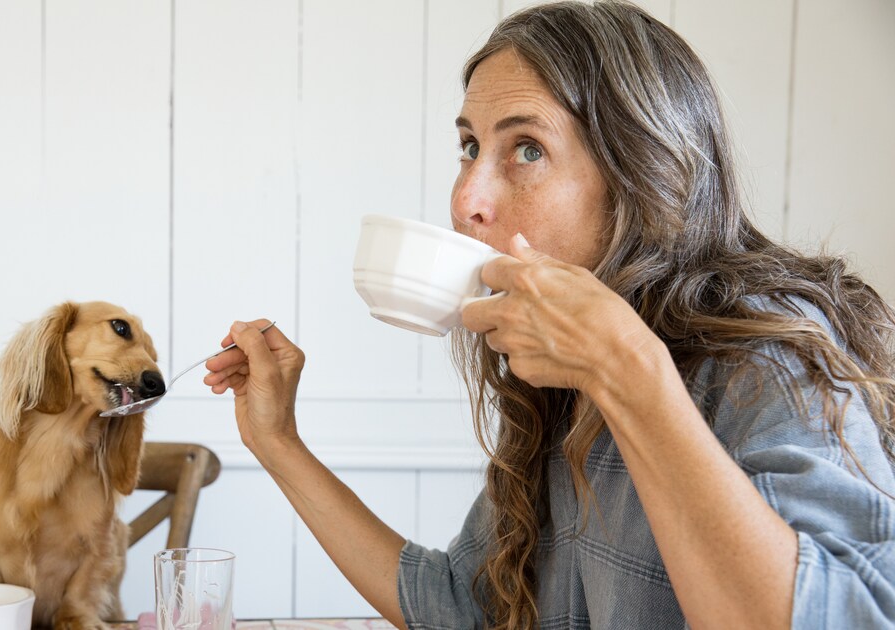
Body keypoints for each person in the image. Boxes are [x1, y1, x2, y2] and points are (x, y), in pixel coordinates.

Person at [203, 1, 895, 628]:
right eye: (469, 146)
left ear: (643, 176)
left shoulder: (769, 355)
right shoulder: (562, 377)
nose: (467, 197)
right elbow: (460, 606)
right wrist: (278, 442)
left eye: (526, 149)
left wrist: (631, 373)